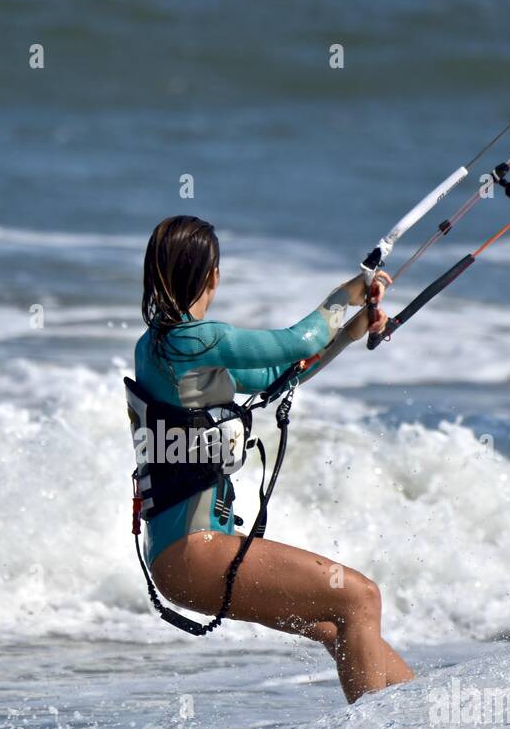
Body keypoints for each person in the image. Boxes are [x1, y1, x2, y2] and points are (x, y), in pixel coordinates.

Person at [131, 215, 414, 702]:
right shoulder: (194, 339)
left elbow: (278, 375)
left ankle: (422, 722)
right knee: (360, 596)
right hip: (196, 551)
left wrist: (349, 332)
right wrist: (351, 289)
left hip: (181, 558)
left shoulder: (162, 347)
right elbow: (297, 342)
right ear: (212, 275)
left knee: (339, 624)